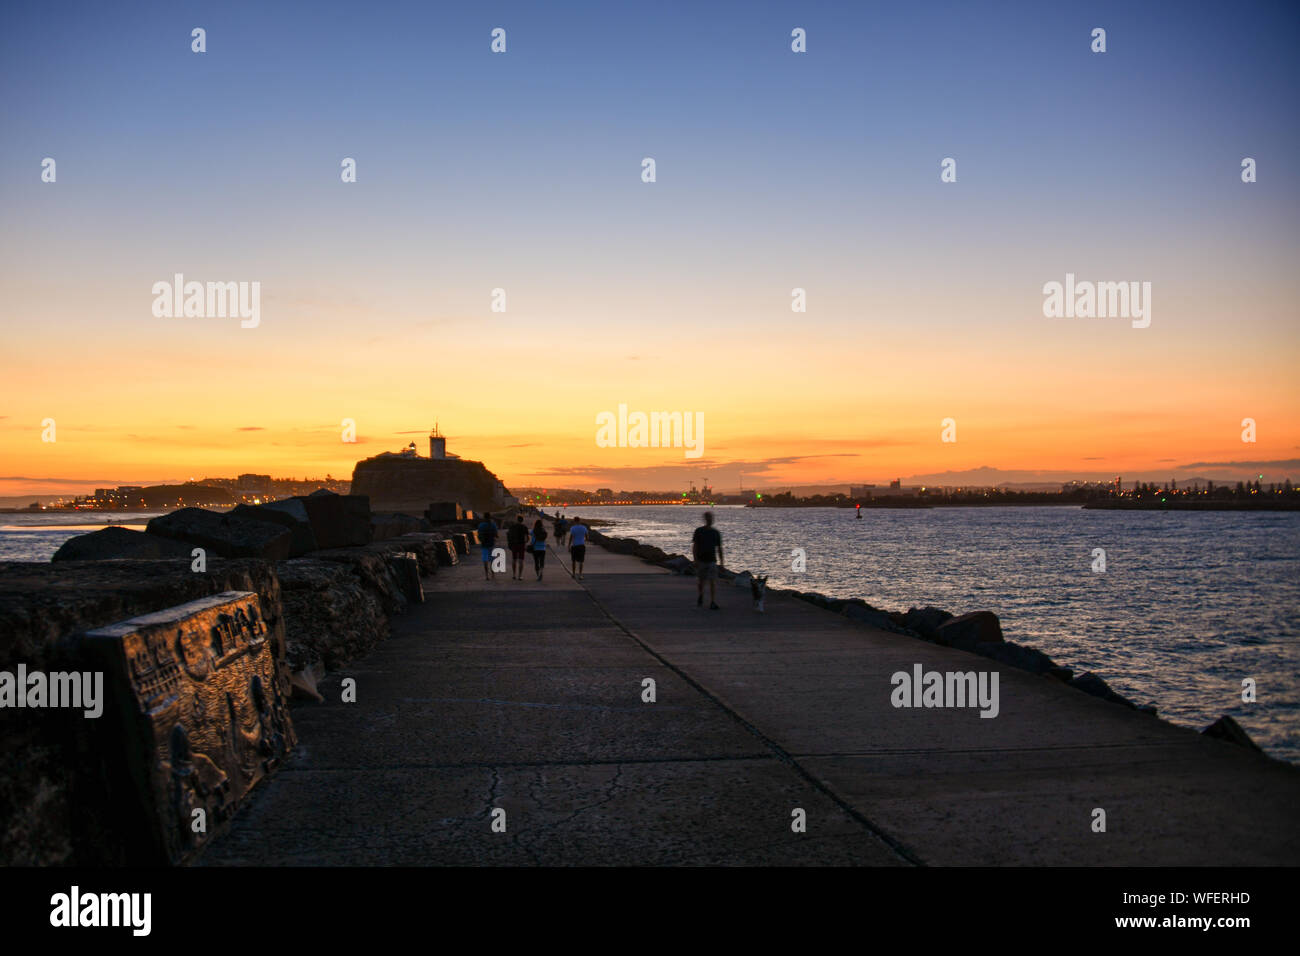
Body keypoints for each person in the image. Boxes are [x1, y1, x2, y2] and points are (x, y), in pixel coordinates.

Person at [692, 511, 724, 609]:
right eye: (708, 518)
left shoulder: (716, 533)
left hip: (712, 561)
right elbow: (695, 546)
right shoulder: (699, 531)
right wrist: (695, 560)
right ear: (705, 519)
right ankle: (701, 595)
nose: (710, 520)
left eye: (711, 518)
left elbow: (719, 548)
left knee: (712, 581)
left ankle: (712, 601)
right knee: (701, 581)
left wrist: (722, 562)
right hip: (701, 560)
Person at [477, 512, 500, 581]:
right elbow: (496, 535)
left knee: (485, 560)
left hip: (484, 544)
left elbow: (478, 534)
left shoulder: (481, 525)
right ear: (490, 517)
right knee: (492, 560)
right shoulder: (493, 525)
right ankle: (493, 574)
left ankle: (487, 576)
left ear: (484, 517)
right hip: (491, 544)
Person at [506, 514, 529, 581]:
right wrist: (525, 542)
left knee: (514, 559)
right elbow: (527, 538)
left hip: (514, 544)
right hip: (521, 544)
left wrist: (510, 543)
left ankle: (514, 575)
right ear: (522, 520)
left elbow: (508, 535)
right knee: (521, 560)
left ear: (517, 520)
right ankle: (520, 576)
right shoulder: (524, 527)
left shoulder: (512, 527)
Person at [568, 516, 589, 580]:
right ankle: (580, 575)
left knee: (573, 561)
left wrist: (568, 545)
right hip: (581, 545)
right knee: (581, 561)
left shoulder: (572, 528)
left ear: (574, 521)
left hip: (574, 546)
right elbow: (587, 537)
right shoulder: (584, 528)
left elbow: (571, 537)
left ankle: (573, 574)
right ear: (580, 520)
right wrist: (584, 540)